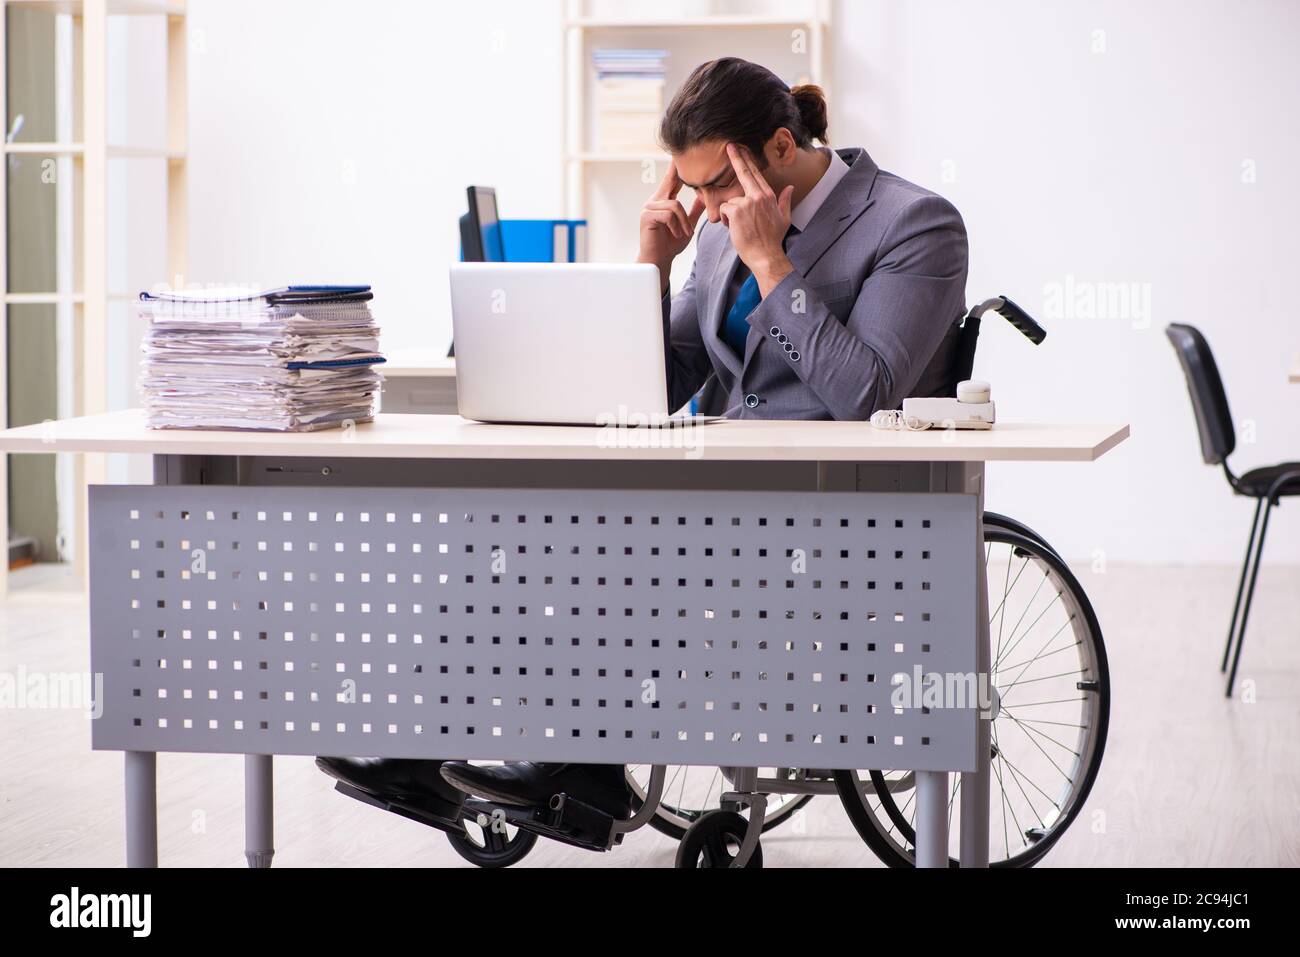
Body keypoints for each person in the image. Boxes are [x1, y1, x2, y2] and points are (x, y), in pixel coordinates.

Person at [320, 56, 969, 824]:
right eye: (690, 187)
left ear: (783, 151)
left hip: (837, 517)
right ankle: (434, 746)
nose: (705, 207)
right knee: (503, 511)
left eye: (718, 185)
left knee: (598, 534)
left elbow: (866, 393)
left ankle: (581, 762)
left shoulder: (913, 224)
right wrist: (652, 271)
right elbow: (656, 386)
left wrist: (772, 264)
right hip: (725, 496)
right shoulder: (719, 233)